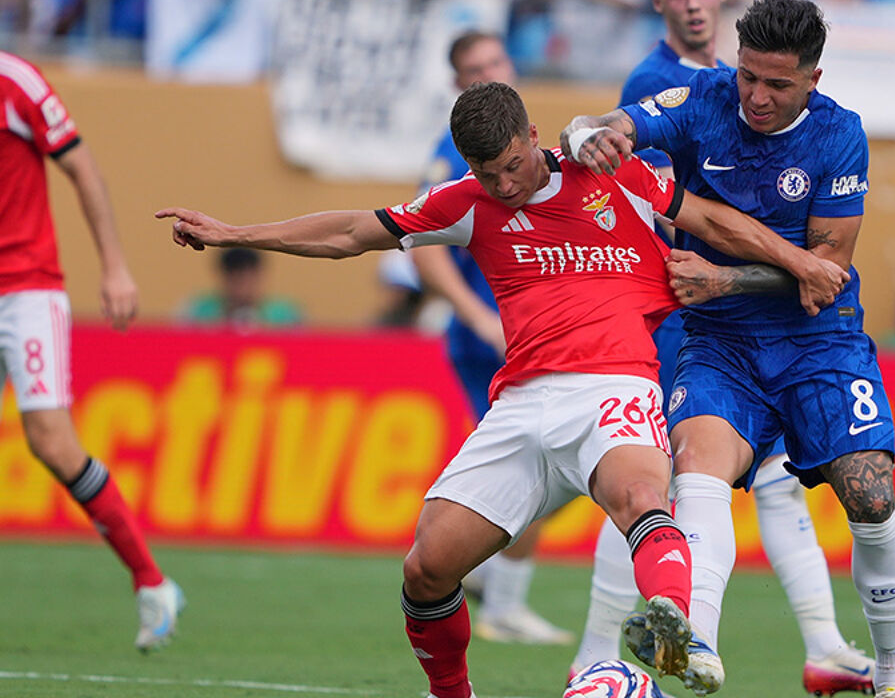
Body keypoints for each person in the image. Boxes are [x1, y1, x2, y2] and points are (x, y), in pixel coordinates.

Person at [157, 81, 849, 698]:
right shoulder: (467, 203)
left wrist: (798, 262)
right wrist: (233, 234)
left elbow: (711, 220)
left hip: (612, 382)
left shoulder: (614, 175)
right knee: (427, 569)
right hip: (521, 405)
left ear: (533, 139)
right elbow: (350, 231)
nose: (505, 185)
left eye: (513, 166)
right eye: (488, 174)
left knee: (641, 497)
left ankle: (683, 634)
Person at [561, 0, 895, 698]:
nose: (755, 95)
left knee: (871, 500)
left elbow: (823, 277)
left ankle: (894, 675)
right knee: (696, 470)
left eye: (777, 84)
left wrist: (723, 277)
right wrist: (587, 132)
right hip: (719, 341)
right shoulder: (703, 97)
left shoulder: (840, 136)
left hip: (818, 341)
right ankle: (693, 648)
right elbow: (618, 124)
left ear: (812, 80)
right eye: (749, 76)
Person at [0, 50, 183, 652]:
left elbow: (83, 169)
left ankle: (151, 580)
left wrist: (115, 268)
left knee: (51, 442)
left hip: (26, 289)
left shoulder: (16, 81)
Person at [416, 30, 573, 646]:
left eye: (494, 62)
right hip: (492, 342)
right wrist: (478, 319)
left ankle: (485, 563)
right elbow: (420, 251)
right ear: (457, 84)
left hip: (533, 336)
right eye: (472, 68)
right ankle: (499, 597)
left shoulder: (524, 146)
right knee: (538, 468)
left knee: (560, 468)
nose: (485, 72)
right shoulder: (454, 155)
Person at [181, 247, 303, 327]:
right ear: (224, 277)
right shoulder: (199, 312)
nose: (243, 286)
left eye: (248, 278)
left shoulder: (284, 315)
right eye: (236, 279)